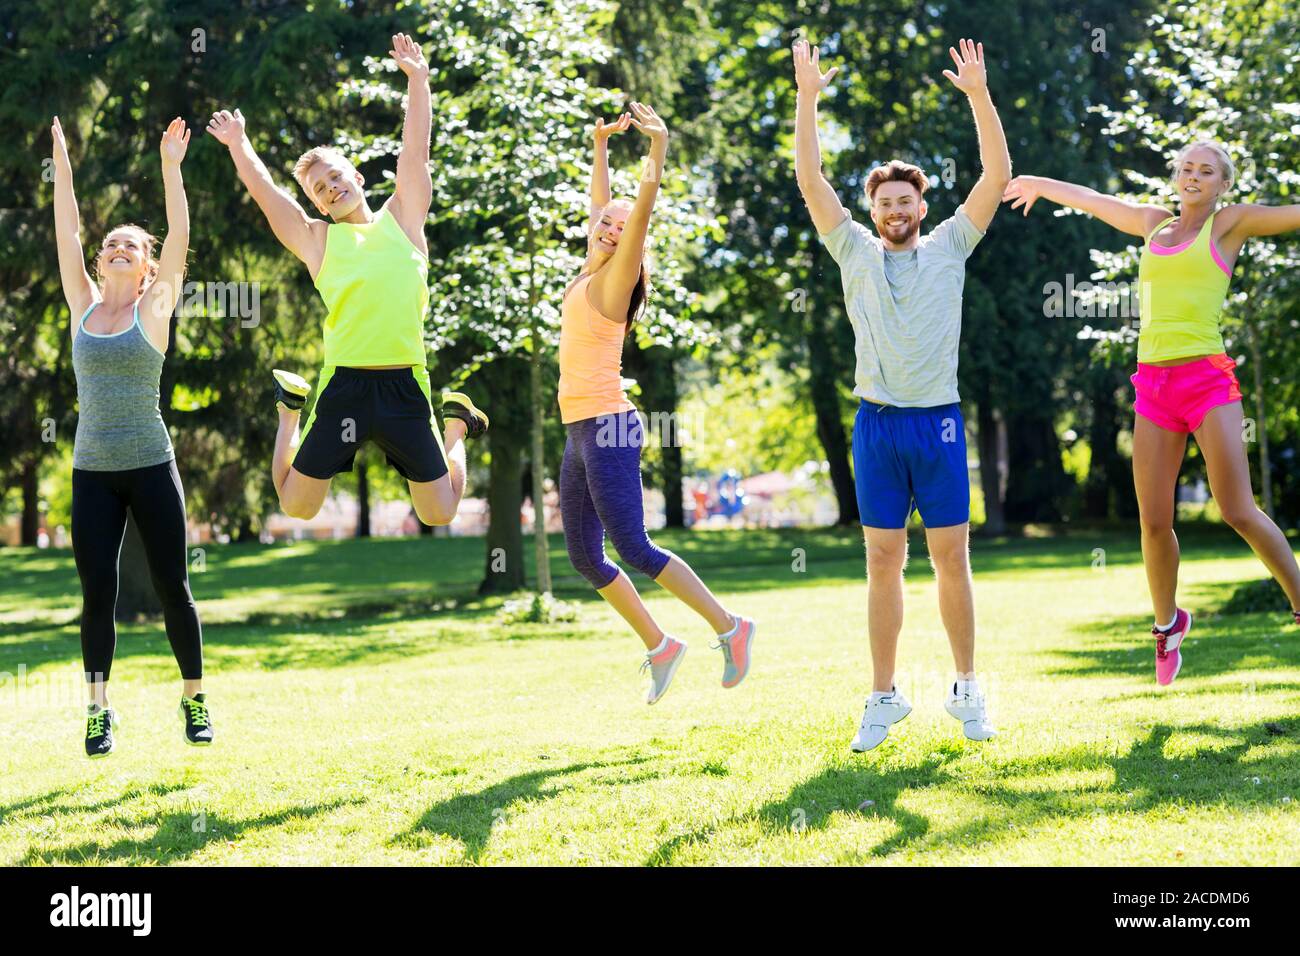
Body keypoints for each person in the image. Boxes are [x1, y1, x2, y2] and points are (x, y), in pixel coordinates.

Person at [1004, 141, 1300, 685]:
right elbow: (1094, 200)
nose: (1193, 176)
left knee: (1236, 509)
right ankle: (1168, 625)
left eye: (1206, 171)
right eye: (1186, 167)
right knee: (1154, 519)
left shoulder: (1229, 224)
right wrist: (1041, 184)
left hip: (1208, 381)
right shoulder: (1153, 225)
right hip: (1155, 387)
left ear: (1222, 184)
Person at [793, 37, 1010, 750]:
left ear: (921, 204)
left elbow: (998, 173)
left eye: (904, 199)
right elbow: (809, 177)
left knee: (953, 555)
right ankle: (883, 697)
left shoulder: (950, 245)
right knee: (881, 559)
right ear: (873, 209)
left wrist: (977, 93)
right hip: (877, 427)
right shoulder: (851, 249)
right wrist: (807, 97)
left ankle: (968, 690)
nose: (894, 209)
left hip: (939, 425)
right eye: (884, 201)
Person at [206, 34, 487, 528]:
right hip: (345, 386)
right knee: (297, 504)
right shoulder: (318, 242)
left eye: (335, 177)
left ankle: (457, 425)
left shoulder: (403, 220)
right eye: (320, 189)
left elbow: (414, 155)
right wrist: (238, 143)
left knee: (439, 513)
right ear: (317, 205)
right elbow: (269, 195)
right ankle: (290, 410)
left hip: (405, 383)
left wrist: (418, 82)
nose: (330, 188)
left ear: (357, 176)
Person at [559, 103, 756, 704]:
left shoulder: (616, 279)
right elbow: (604, 206)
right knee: (586, 560)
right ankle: (662, 645)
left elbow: (635, 215)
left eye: (621, 229)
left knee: (634, 548)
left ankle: (730, 626)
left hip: (609, 426)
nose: (610, 227)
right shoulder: (591, 261)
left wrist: (658, 151)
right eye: (606, 223)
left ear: (632, 248)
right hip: (577, 431)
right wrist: (599, 147)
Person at [52, 115, 212, 757]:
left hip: (149, 464)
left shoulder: (155, 307)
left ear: (147, 268)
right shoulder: (83, 305)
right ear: (100, 261)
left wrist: (171, 169)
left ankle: (194, 700)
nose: (119, 247)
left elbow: (180, 234)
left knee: (174, 585)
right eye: (111, 244)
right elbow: (66, 229)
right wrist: (62, 168)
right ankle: (98, 711)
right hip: (92, 471)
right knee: (98, 593)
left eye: (131, 246)